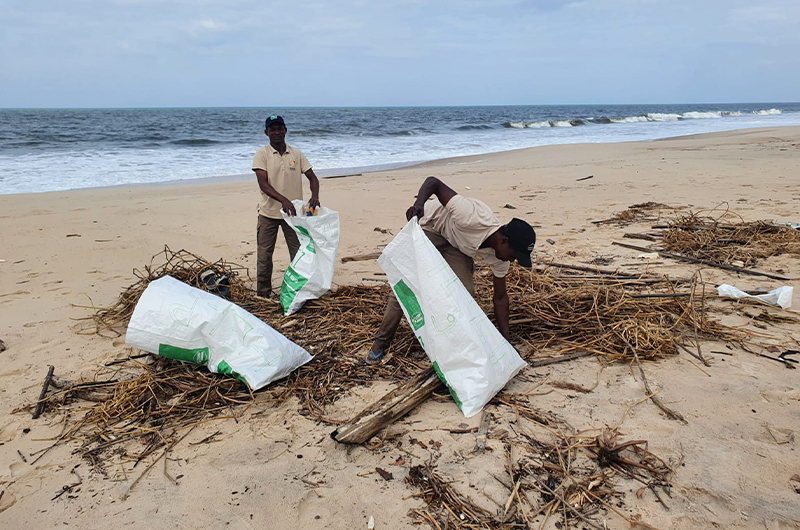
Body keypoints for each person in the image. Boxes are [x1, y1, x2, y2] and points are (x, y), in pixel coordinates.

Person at [366, 176, 536, 364]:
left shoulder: (500, 259)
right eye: (514, 255)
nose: (513, 261)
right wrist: (419, 205)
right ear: (503, 241)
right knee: (406, 285)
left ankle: (447, 343)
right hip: (430, 228)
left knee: (465, 293)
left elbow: (500, 298)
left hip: (456, 245)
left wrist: (506, 342)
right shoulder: (471, 216)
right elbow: (434, 183)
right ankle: (380, 344)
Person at [252, 114, 321, 298]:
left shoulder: (296, 154)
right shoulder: (262, 154)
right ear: (266, 132)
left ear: (285, 130)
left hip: (293, 215)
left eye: (279, 128)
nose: (277, 132)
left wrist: (314, 197)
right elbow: (263, 184)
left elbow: (312, 178)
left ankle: (298, 292)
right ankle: (263, 295)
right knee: (264, 257)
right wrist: (283, 200)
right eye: (272, 129)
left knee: (299, 255)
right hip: (268, 214)